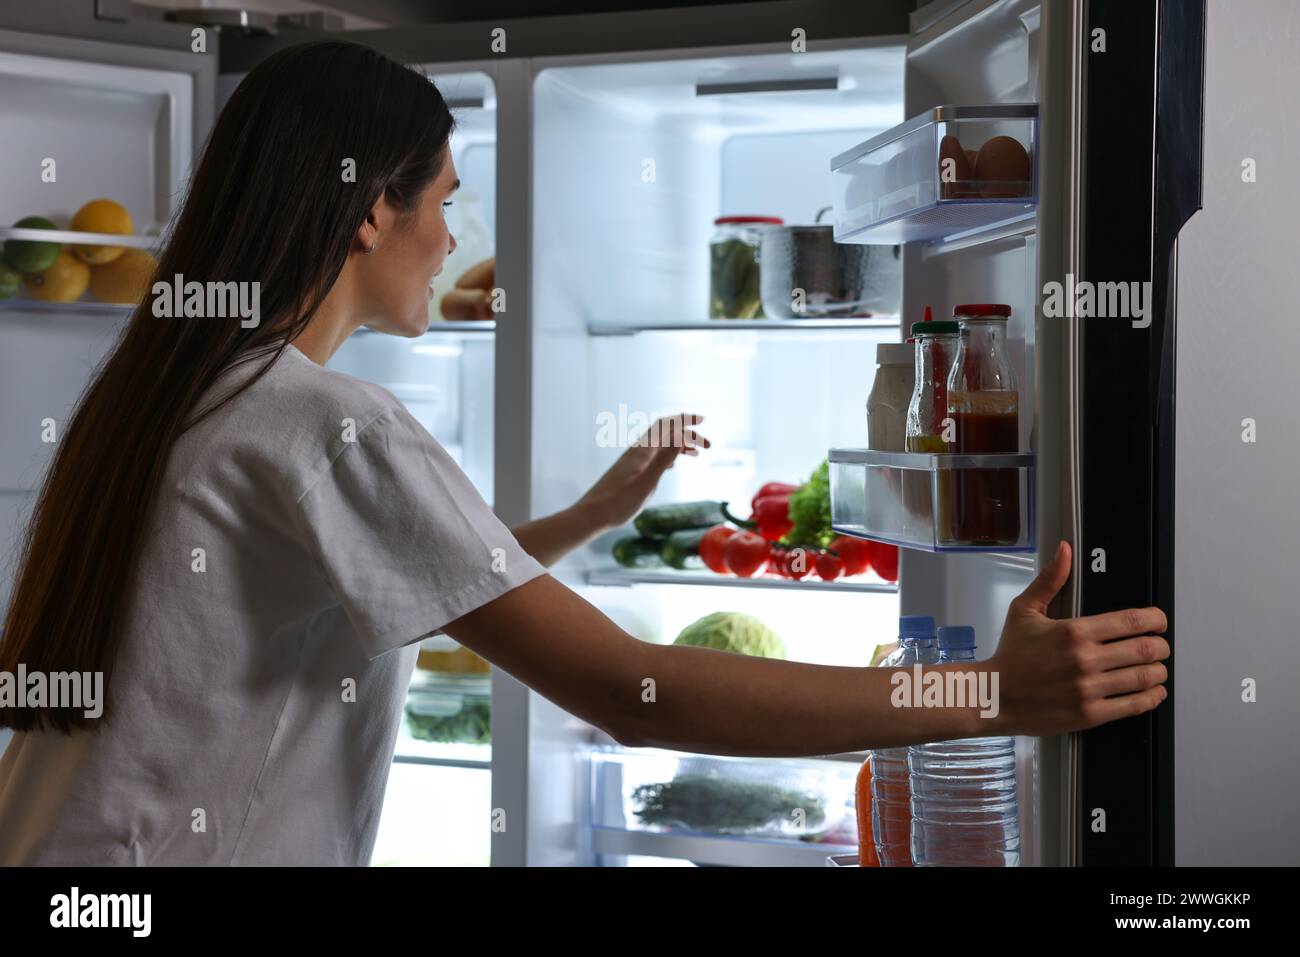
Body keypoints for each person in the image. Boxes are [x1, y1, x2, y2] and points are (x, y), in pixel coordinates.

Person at [0, 41, 1168, 866]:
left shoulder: (185, 394)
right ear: (369, 212)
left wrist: (594, 513)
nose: (452, 234)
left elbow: (390, 573)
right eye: (443, 201)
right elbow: (630, 691)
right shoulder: (322, 418)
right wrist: (988, 693)